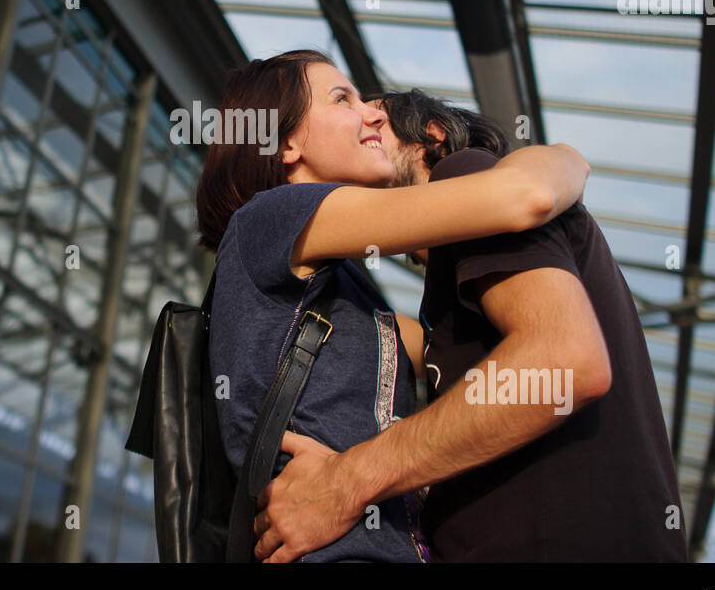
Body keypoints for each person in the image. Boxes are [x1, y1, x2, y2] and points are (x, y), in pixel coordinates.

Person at [250, 88, 687, 562]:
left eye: (377, 120)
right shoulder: (450, 294)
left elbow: (565, 362)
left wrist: (345, 482)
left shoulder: (464, 175)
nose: (363, 127)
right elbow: (381, 340)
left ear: (432, 136)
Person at [197, 52, 589, 562]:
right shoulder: (270, 217)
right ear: (285, 142)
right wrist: (565, 158)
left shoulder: (347, 288)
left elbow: (444, 350)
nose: (372, 114)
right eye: (343, 99)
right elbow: (527, 195)